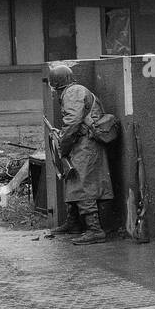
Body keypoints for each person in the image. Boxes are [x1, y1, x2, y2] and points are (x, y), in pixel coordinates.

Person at [46, 63, 114, 245]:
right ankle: (74, 223)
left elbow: (73, 122)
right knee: (75, 181)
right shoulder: (75, 90)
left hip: (85, 145)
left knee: (83, 185)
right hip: (83, 143)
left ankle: (95, 230)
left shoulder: (73, 92)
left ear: (56, 83)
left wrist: (63, 146)